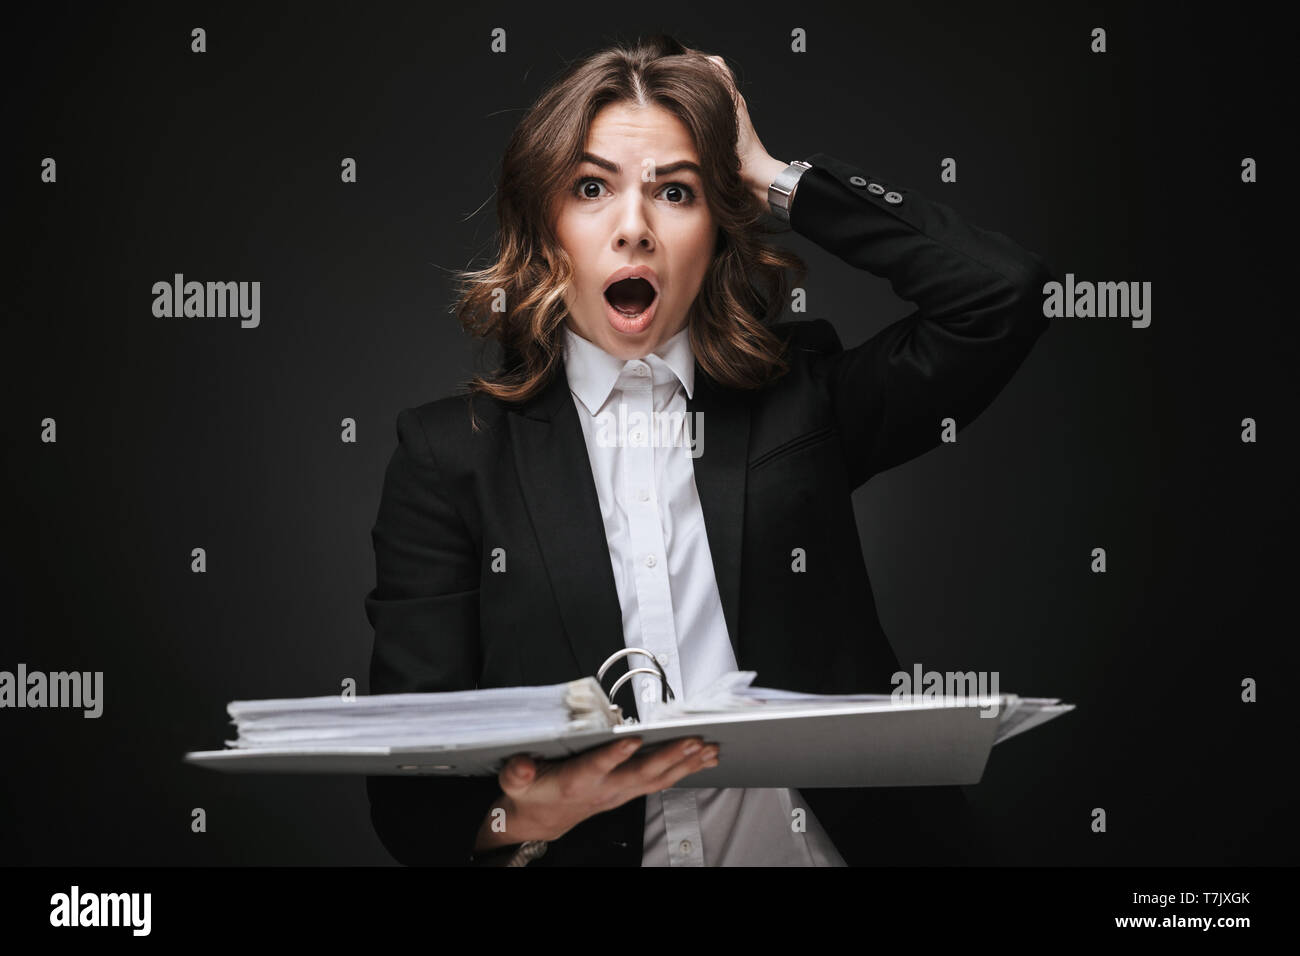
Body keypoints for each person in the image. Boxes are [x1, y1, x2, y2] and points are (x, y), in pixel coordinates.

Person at [364, 35, 1054, 866]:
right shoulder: (450, 458)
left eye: (677, 193)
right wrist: (535, 813)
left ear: (718, 231)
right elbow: (411, 807)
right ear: (546, 228)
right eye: (591, 188)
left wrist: (768, 175)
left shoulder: (803, 397)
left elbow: (998, 295)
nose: (634, 228)